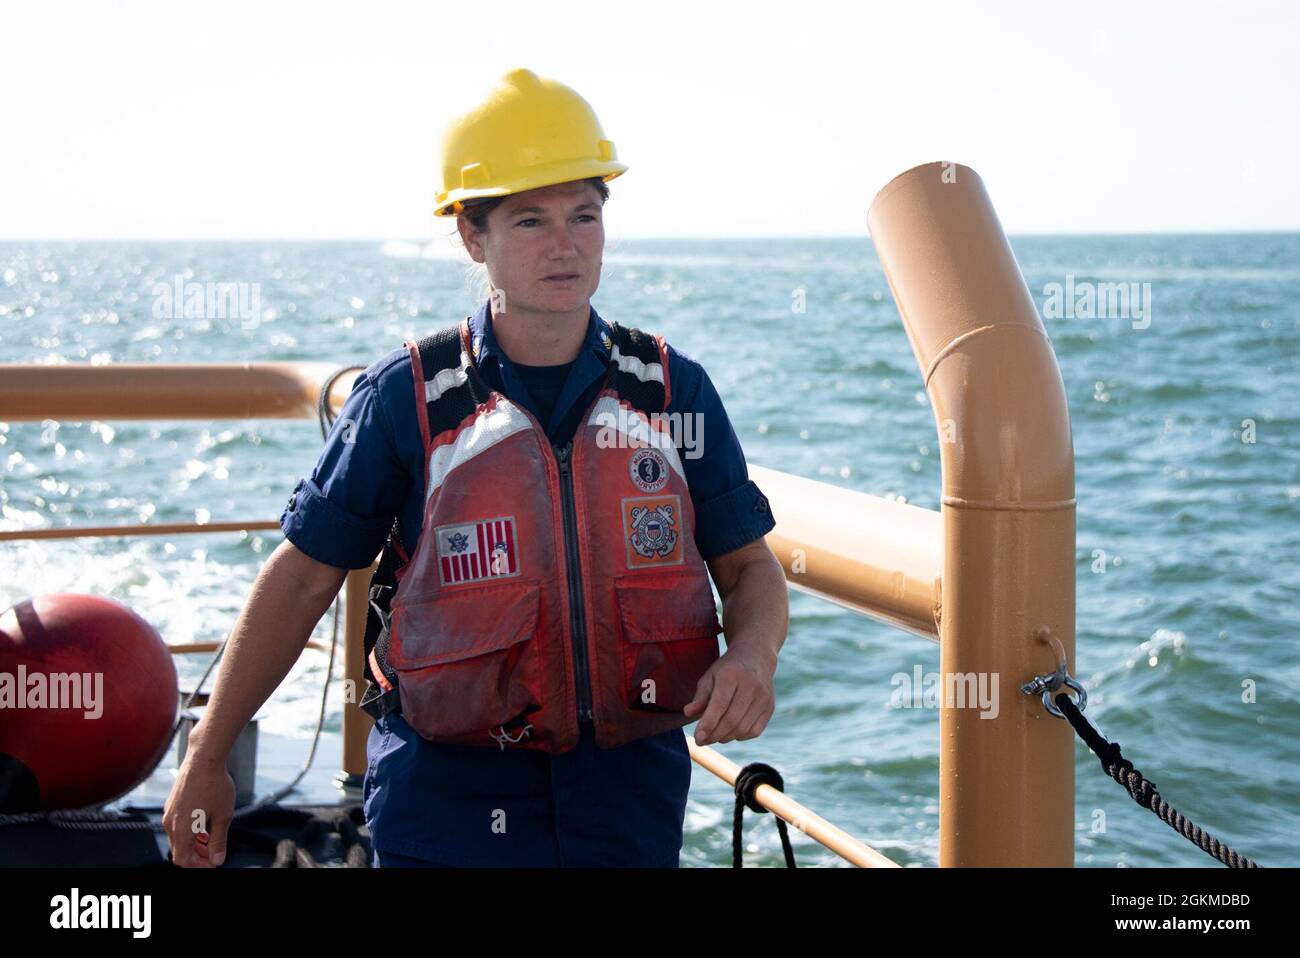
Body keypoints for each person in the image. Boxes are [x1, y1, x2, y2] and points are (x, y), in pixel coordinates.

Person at [162, 68, 788, 868]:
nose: (566, 245)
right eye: (530, 221)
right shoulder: (407, 401)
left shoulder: (670, 390)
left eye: (585, 216)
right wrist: (209, 755)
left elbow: (749, 569)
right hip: (448, 802)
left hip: (627, 797)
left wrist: (752, 657)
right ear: (471, 237)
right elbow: (301, 580)